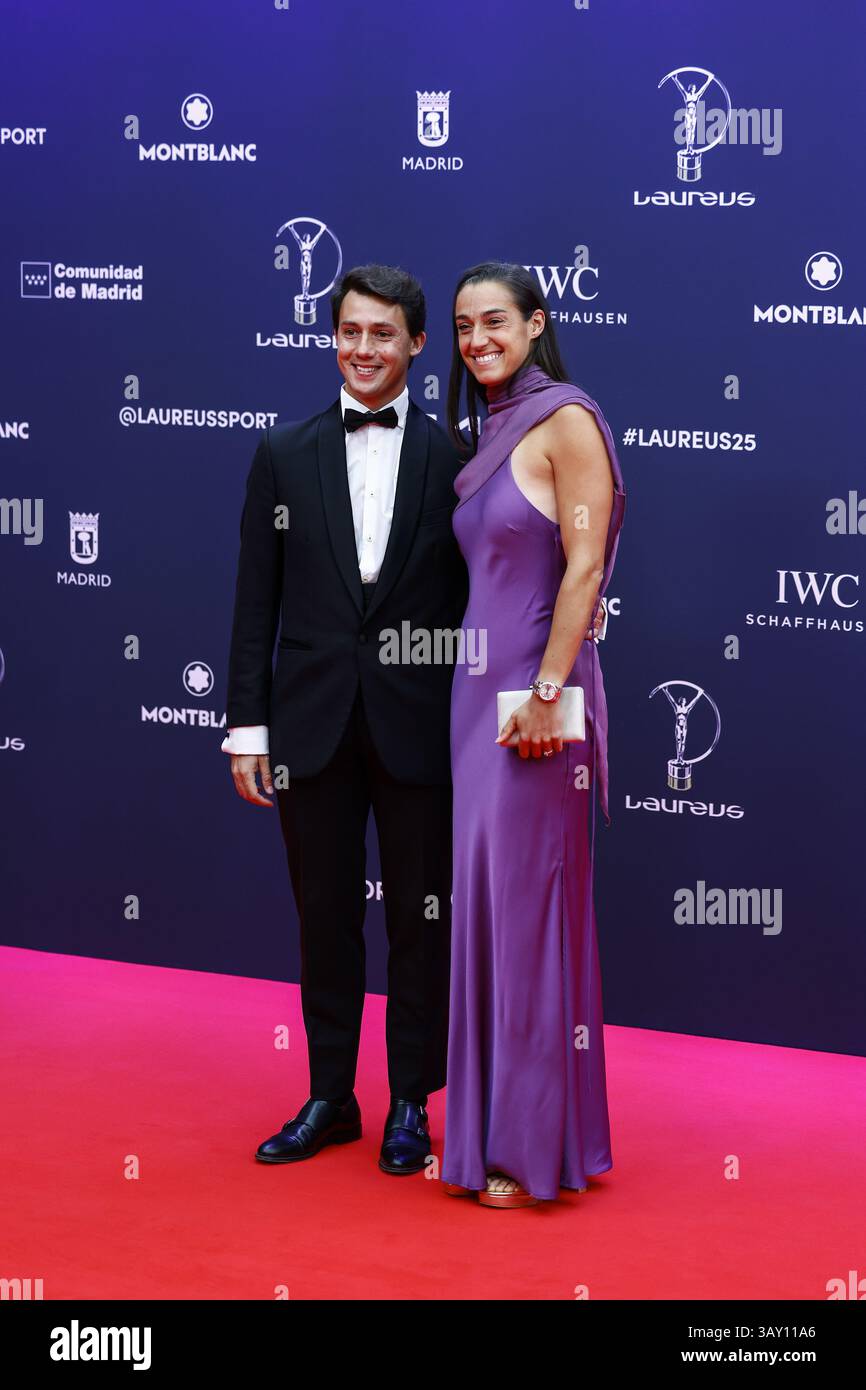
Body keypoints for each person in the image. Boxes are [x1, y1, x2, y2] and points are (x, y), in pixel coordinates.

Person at [221, 265, 470, 1176]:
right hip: (311, 724)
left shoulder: (460, 459)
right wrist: (248, 726)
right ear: (333, 338)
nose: (363, 350)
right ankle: (331, 1095)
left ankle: (411, 1099)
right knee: (323, 913)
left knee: (420, 917)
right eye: (349, 333)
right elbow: (258, 602)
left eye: (382, 335)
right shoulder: (282, 452)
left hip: (422, 727)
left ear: (415, 344)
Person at [441, 261, 626, 1209]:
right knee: (488, 911)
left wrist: (549, 689)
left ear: (537, 323)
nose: (478, 341)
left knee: (529, 916)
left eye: (496, 323)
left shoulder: (568, 420)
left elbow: (585, 561)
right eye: (466, 326)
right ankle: (481, 1133)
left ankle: (524, 1143)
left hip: (535, 700)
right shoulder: (487, 428)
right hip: (475, 703)